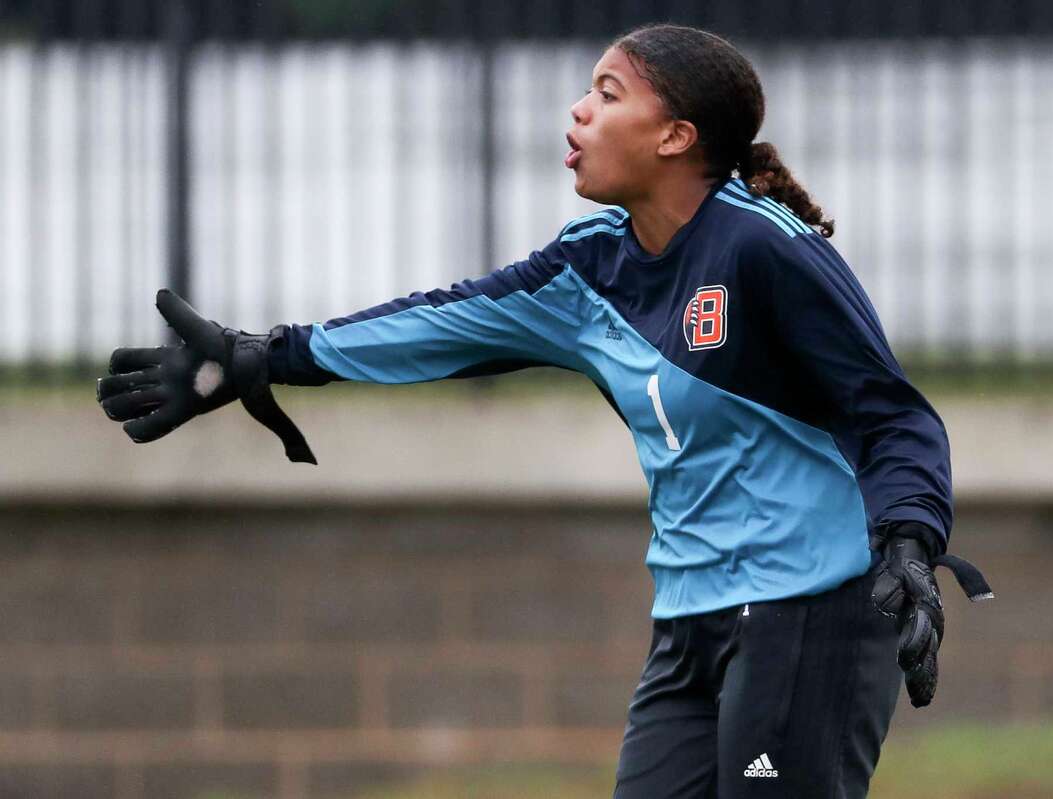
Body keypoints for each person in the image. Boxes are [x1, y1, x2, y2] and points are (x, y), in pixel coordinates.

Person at [97, 24, 991, 799]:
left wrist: (909, 539)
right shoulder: (587, 267)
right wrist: (266, 355)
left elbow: (894, 417)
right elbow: (441, 321)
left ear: (676, 135)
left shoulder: (762, 249)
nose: (577, 111)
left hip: (810, 611)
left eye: (607, 93)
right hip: (689, 620)